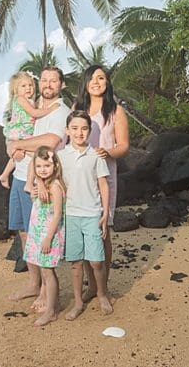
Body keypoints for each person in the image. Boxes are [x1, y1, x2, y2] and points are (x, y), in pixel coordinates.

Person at [6, 66, 71, 304]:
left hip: (42, 180)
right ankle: (34, 284)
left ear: (61, 85)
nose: (47, 84)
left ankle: (46, 289)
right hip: (20, 176)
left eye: (53, 81)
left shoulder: (59, 110)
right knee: (23, 232)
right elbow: (12, 136)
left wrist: (19, 144)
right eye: (44, 80)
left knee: (39, 233)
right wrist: (11, 146)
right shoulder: (31, 107)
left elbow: (51, 142)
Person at [73, 65, 130, 298]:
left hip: (105, 176)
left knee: (103, 229)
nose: (97, 82)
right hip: (80, 178)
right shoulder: (77, 108)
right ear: (85, 83)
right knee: (84, 230)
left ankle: (103, 286)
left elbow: (124, 146)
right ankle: (91, 284)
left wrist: (107, 152)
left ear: (107, 82)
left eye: (101, 78)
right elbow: (67, 139)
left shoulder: (115, 111)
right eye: (92, 78)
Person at [58, 110, 113, 320]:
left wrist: (105, 212)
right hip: (71, 215)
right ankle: (78, 302)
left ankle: (101, 293)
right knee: (75, 262)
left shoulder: (95, 155)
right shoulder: (61, 156)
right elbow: (54, 180)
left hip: (92, 214)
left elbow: (103, 184)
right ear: (67, 131)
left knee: (97, 261)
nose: (79, 133)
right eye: (74, 128)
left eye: (83, 129)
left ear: (89, 131)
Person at [22, 146, 65, 326]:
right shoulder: (42, 184)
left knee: (48, 272)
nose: (42, 170)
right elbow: (38, 206)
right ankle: (51, 303)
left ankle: (51, 311)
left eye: (46, 166)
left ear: (55, 166)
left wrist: (48, 238)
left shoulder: (55, 186)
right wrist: (34, 193)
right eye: (39, 166)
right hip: (38, 232)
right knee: (43, 269)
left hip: (49, 234)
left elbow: (57, 214)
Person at [0, 71, 59, 190]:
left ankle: (5, 175)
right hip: (20, 131)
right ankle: (29, 183)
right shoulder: (20, 99)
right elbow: (34, 113)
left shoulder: (30, 101)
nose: (28, 88)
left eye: (30, 85)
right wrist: (51, 109)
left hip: (22, 132)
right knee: (36, 155)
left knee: (23, 154)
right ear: (15, 90)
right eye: (23, 86)